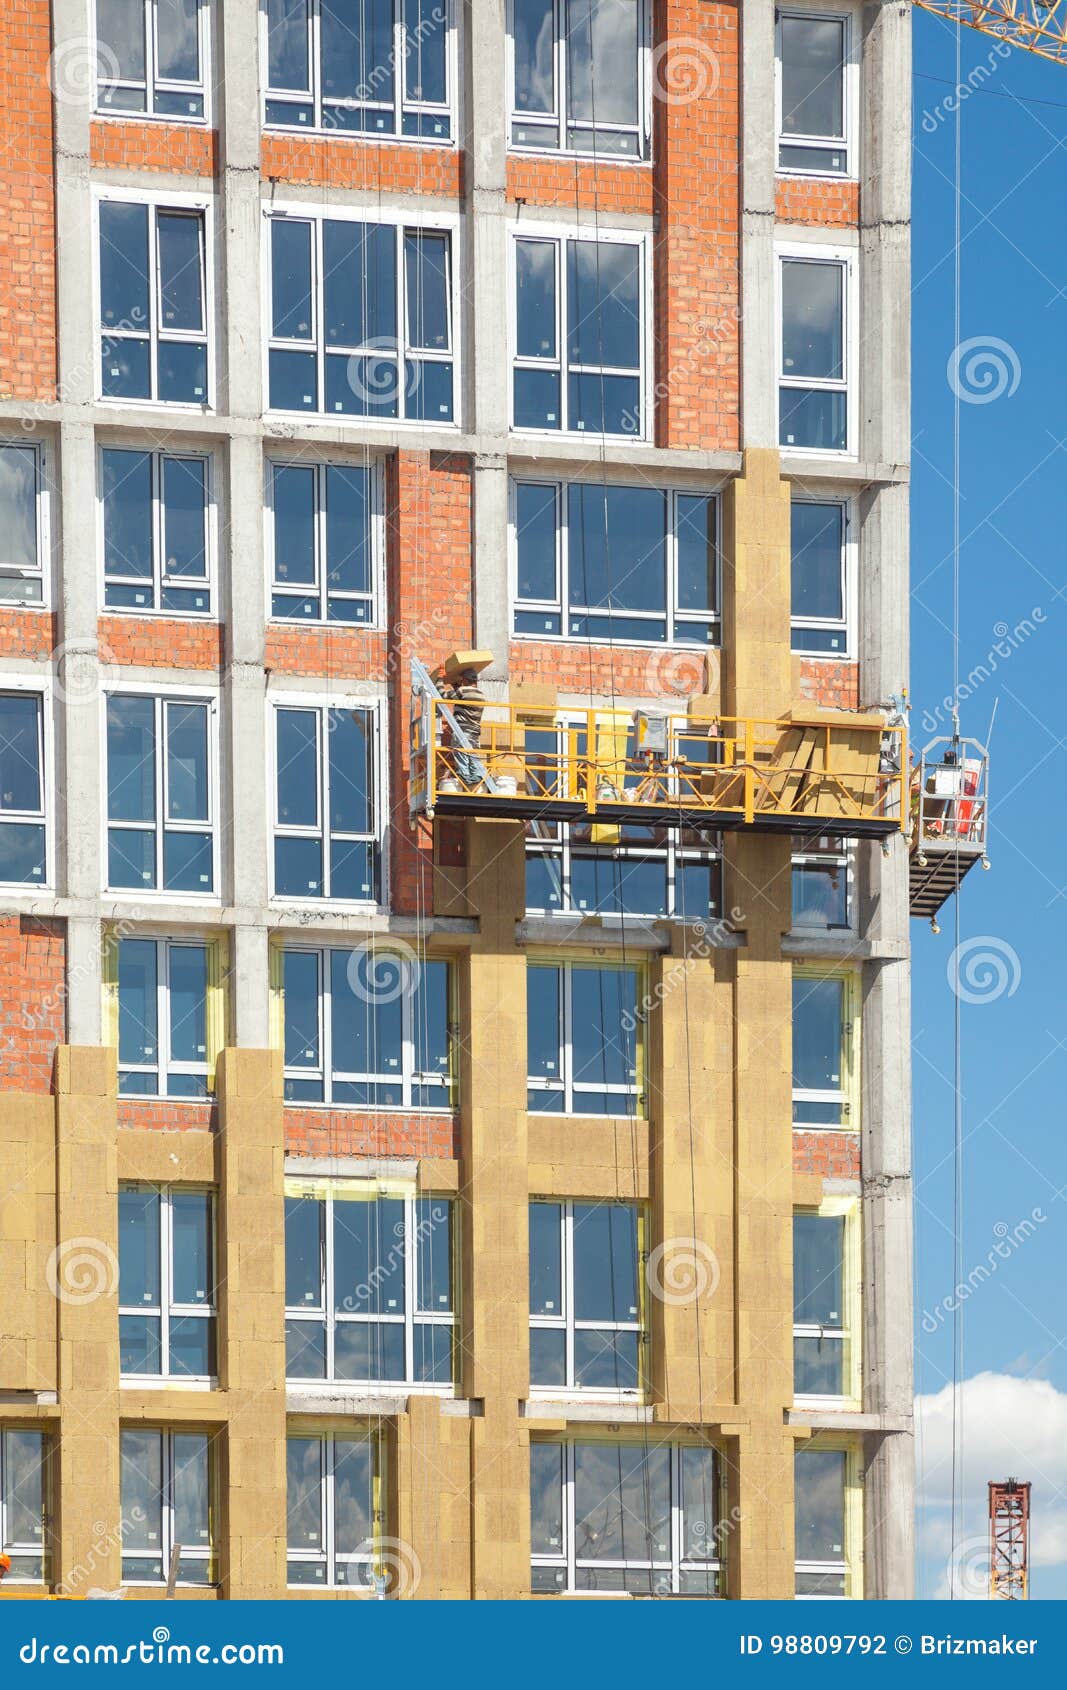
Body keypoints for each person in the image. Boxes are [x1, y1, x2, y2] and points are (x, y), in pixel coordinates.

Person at [441, 665, 487, 790]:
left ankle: (466, 782)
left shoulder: (463, 691)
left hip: (463, 731)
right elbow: (462, 697)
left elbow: (442, 695)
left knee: (461, 755)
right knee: (473, 757)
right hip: (474, 733)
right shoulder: (481, 694)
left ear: (465, 680)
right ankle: (476, 782)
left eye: (462, 681)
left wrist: (440, 679)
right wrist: (457, 685)